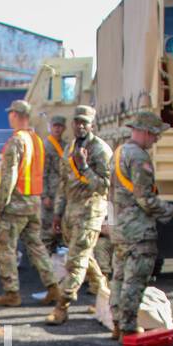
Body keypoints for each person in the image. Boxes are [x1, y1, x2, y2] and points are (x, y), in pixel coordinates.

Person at [109, 108, 173, 341]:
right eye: (154, 134)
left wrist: (110, 224)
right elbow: (145, 199)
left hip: (121, 228)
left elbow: (110, 192)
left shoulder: (119, 152)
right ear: (142, 132)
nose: (156, 139)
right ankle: (129, 328)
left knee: (119, 277)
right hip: (138, 230)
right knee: (135, 280)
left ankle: (116, 323)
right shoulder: (140, 157)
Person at [0, 100, 61, 308]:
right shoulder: (36, 140)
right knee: (36, 247)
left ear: (16, 115)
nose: (9, 116)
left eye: (10, 113)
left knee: (6, 248)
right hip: (33, 202)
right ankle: (53, 286)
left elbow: (9, 177)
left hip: (15, 204)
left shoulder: (16, 141)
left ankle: (11, 293)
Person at [46, 106, 112, 325]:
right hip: (71, 213)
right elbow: (64, 184)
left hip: (90, 212)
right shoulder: (70, 148)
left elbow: (104, 186)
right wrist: (57, 213)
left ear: (92, 125)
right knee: (84, 257)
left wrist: (84, 167)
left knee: (75, 262)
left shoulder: (100, 150)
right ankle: (104, 293)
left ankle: (62, 307)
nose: (80, 126)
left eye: (85, 122)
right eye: (77, 121)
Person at [41, 114, 67, 251]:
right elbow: (42, 172)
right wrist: (44, 195)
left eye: (60, 126)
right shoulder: (46, 146)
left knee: (61, 227)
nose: (57, 129)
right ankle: (45, 259)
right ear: (50, 127)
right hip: (50, 193)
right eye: (55, 126)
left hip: (62, 193)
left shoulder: (66, 146)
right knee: (47, 229)